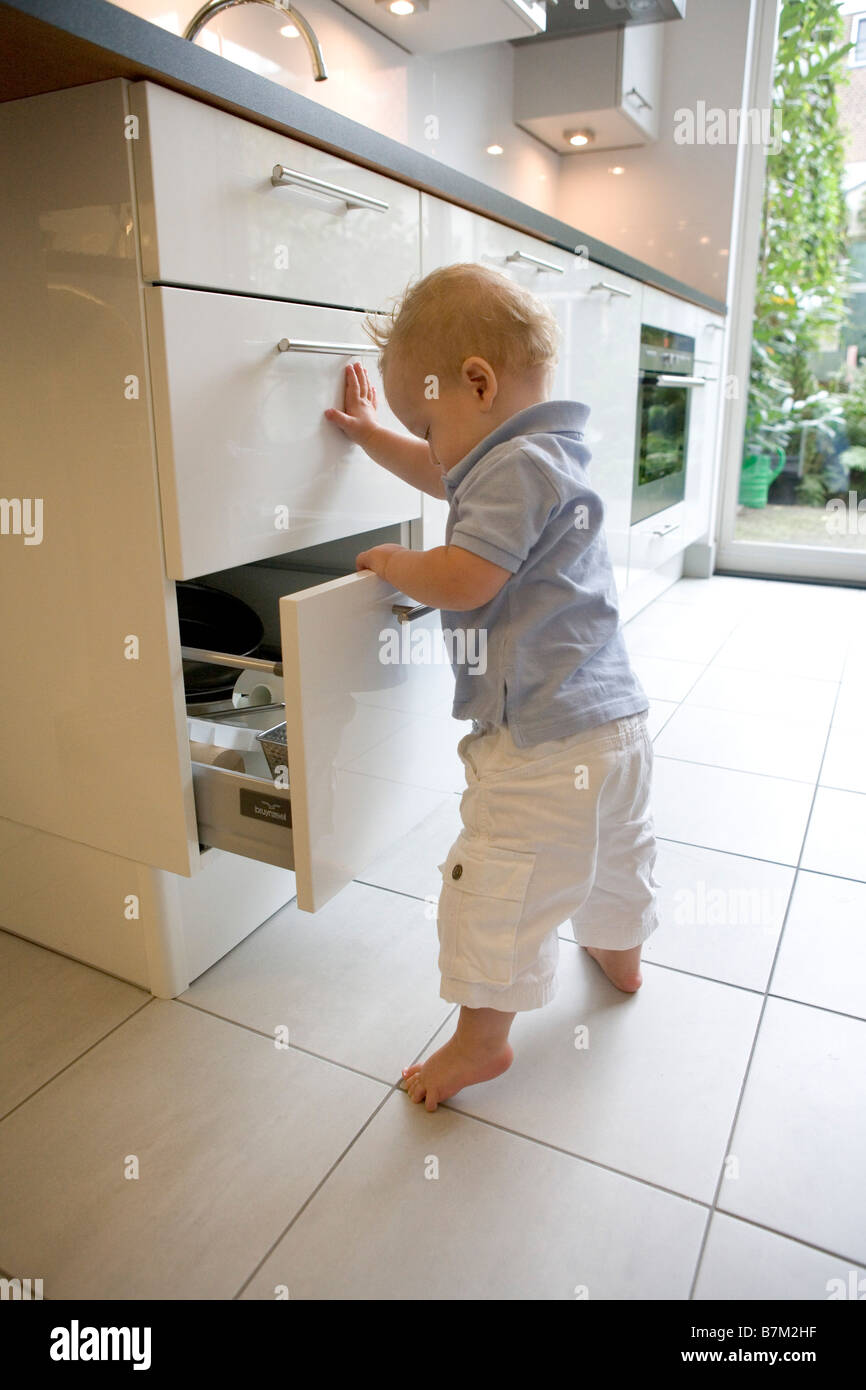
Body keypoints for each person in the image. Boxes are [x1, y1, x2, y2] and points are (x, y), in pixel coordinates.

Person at [324, 263, 660, 1112]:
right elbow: (446, 476)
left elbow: (468, 577)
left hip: (539, 740)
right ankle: (621, 955)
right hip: (614, 724)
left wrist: (400, 563)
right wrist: (373, 435)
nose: (429, 445)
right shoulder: (540, 453)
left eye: (427, 422)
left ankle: (482, 1046)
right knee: (616, 851)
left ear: (476, 382)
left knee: (500, 885)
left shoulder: (510, 473)